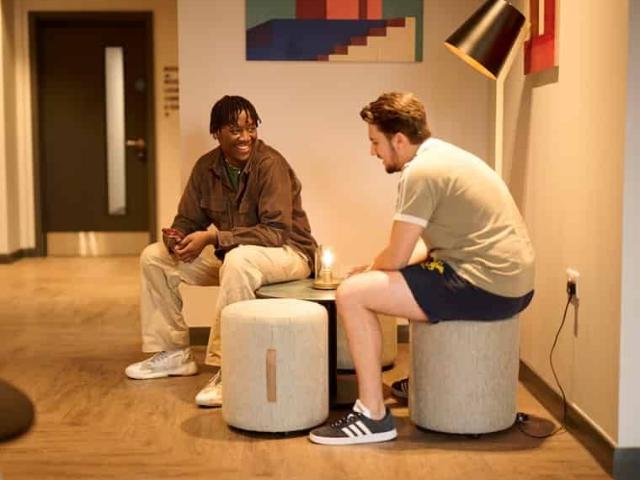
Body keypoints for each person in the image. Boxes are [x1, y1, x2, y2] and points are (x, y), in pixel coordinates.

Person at [309, 92, 534, 445]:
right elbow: (421, 248)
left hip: (488, 284)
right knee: (381, 281)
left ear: (399, 140)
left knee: (351, 295)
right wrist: (375, 270)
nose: (372, 152)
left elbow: (397, 256)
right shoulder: (444, 156)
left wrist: (369, 275)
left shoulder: (420, 173)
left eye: (375, 142)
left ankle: (372, 415)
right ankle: (422, 381)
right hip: (512, 281)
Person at [125, 95, 317, 407]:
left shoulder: (270, 165)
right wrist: (178, 238)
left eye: (251, 128)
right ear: (217, 132)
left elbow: (275, 232)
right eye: (235, 130)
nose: (245, 137)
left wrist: (213, 237)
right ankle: (174, 353)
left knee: (239, 260)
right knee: (155, 257)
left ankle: (232, 369)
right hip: (234, 257)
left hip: (289, 253)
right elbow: (188, 218)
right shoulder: (206, 167)